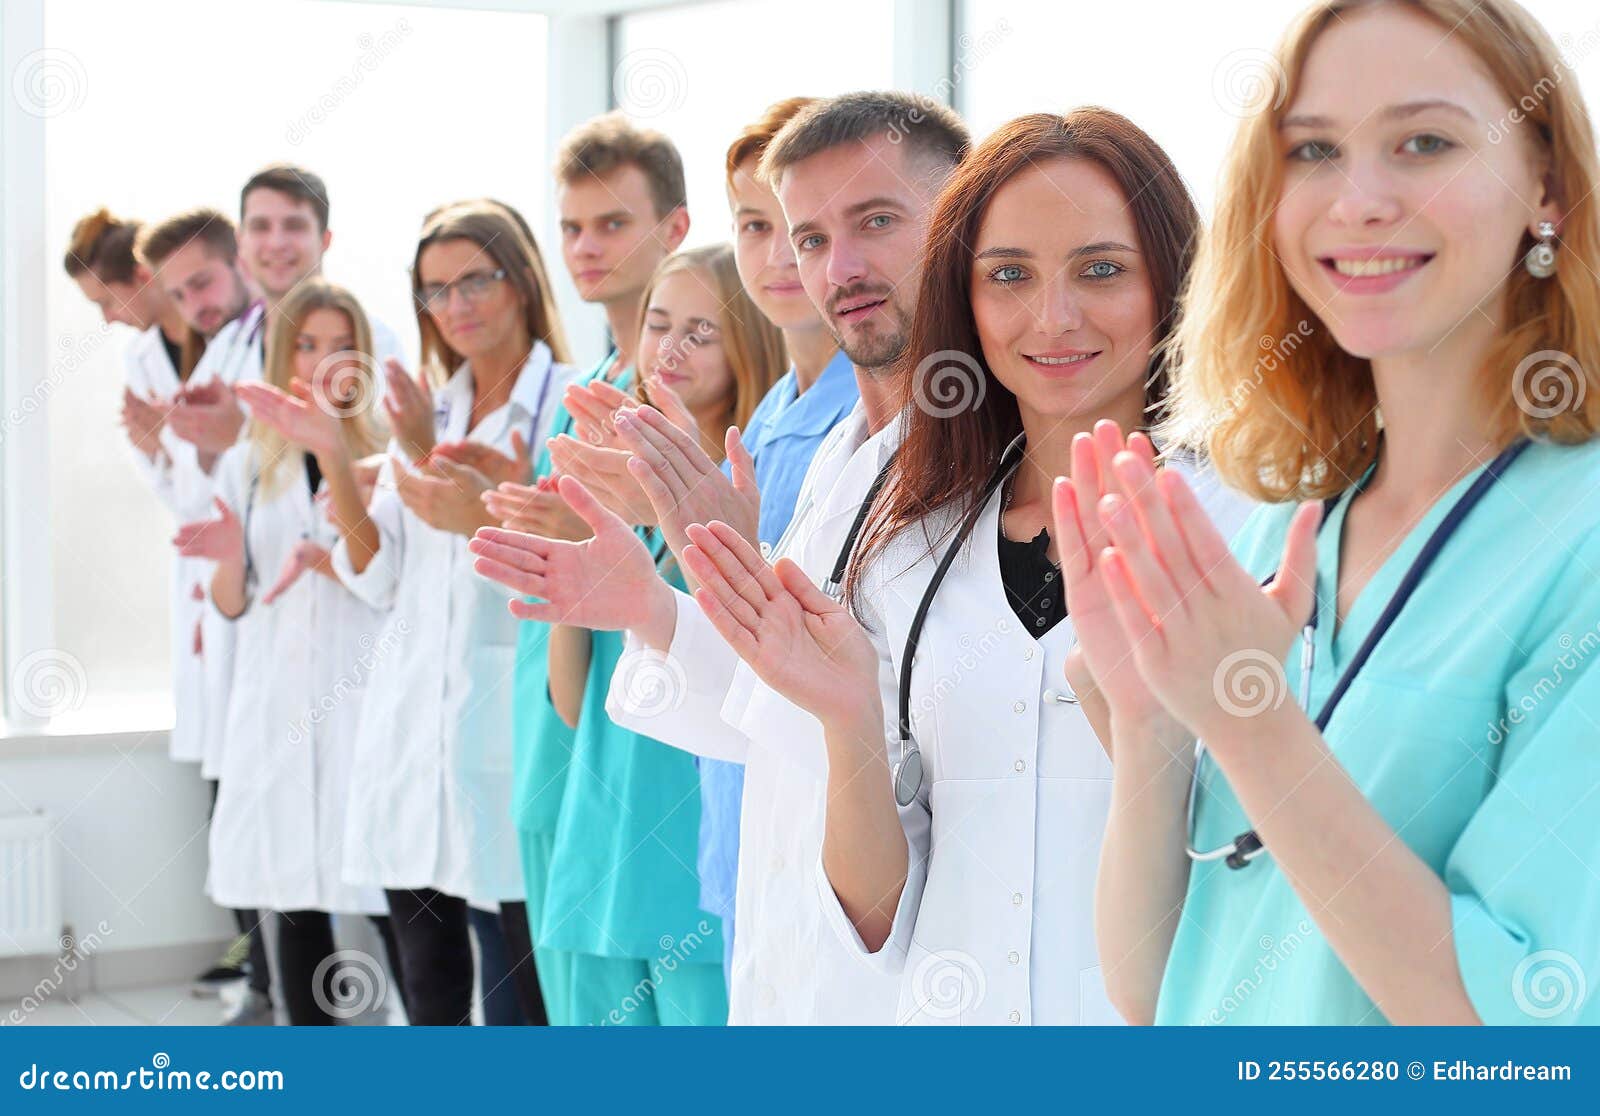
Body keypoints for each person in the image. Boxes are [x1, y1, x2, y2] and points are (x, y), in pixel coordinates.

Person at [1078, 0, 1600, 1026]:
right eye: (1312, 150)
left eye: (1425, 143)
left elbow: (1521, 1032)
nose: (1358, 199)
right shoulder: (1282, 532)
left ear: (1546, 187)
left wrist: (1251, 727)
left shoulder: (1577, 541)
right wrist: (1150, 726)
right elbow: (1155, 991)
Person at [682, 107, 1253, 1026]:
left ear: (1174, 278)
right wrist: (848, 720)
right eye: (1009, 277)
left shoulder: (1251, 524)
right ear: (965, 298)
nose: (1054, 317)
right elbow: (879, 918)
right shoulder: (908, 544)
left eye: (1102, 270)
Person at [470, 91, 966, 1024]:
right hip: (786, 926)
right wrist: (656, 608)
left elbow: (901, 741)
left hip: (915, 965)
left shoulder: (987, 457)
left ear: (962, 221)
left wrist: (725, 569)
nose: (828, 265)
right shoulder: (838, 453)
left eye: (877, 222)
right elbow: (786, 710)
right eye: (802, 235)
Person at [482, 243, 781, 1026]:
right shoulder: (627, 488)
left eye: (701, 332)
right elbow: (574, 703)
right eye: (658, 325)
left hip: (692, 852)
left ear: (749, 344)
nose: (670, 351)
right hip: (604, 840)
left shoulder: (757, 493)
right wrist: (593, 536)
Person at [330, 201, 575, 1025]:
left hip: (510, 734)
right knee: (426, 986)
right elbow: (376, 576)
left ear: (522, 282)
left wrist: (477, 496)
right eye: (436, 291)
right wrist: (365, 451)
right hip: (412, 732)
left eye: (476, 279)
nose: (457, 304)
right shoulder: (423, 413)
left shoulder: (572, 402)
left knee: (521, 993)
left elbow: (574, 567)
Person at [475, 111, 689, 1025]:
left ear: (674, 229)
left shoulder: (682, 396)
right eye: (571, 227)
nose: (586, 246)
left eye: (612, 222)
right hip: (554, 738)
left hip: (627, 749)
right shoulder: (589, 384)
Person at [172, 280, 403, 1025]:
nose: (324, 362)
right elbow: (232, 605)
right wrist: (228, 556)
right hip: (277, 706)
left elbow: (387, 584)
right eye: (307, 345)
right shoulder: (247, 465)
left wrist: (329, 558)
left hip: (362, 698)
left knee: (395, 899)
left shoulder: (387, 459)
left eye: (341, 345)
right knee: (292, 893)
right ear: (282, 355)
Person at [134, 208, 272, 1021]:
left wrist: (224, 440)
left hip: (268, 605)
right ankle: (265, 981)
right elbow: (195, 500)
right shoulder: (219, 351)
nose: (195, 301)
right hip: (225, 604)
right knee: (236, 803)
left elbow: (293, 473)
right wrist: (167, 449)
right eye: (180, 293)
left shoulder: (268, 347)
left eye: (203, 281)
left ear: (237, 263)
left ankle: (276, 984)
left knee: (260, 804)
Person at [64, 209, 204, 763]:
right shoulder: (140, 360)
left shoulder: (223, 338)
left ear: (144, 279)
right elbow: (168, 486)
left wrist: (169, 447)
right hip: (200, 557)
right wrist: (158, 450)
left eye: (105, 301)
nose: (106, 319)